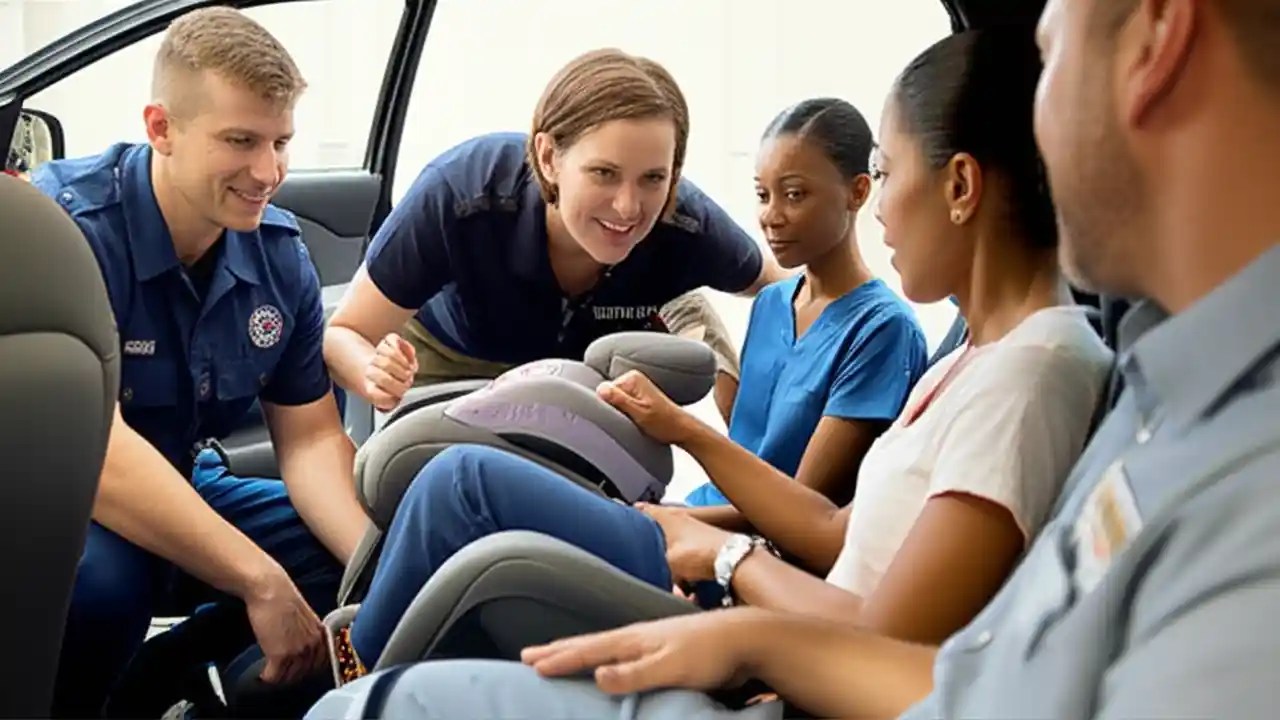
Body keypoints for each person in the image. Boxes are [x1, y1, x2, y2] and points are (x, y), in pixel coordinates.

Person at [308, 0, 1280, 717]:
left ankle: (340, 669)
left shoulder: (1036, 373)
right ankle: (347, 650)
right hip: (772, 605)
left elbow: (884, 623)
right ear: (543, 160)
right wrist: (692, 449)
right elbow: (851, 540)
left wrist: (729, 576)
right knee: (452, 489)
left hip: (779, 620)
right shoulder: (1022, 368)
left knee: (444, 540)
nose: (864, 207)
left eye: (878, 178)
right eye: (762, 194)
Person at [30, 8, 369, 717]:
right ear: (161, 129)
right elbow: (96, 454)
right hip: (69, 496)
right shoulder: (65, 235)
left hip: (189, 480)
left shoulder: (279, 257)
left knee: (345, 564)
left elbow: (307, 440)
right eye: (240, 141)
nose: (269, 171)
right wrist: (258, 581)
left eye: (280, 142)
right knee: (101, 585)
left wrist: (375, 561)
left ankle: (166, 686)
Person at [322, 48, 787, 423]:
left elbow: (787, 289)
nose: (628, 206)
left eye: (653, 178)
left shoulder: (685, 222)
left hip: (590, 370)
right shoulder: (460, 195)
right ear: (548, 157)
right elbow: (344, 332)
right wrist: (374, 373)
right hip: (452, 359)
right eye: (604, 173)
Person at [678, 98, 928, 514]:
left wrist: (672, 518)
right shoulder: (773, 301)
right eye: (763, 194)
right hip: (708, 512)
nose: (771, 216)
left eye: (794, 195)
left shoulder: (883, 330)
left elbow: (803, 509)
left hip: (753, 547)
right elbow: (752, 439)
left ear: (858, 191)